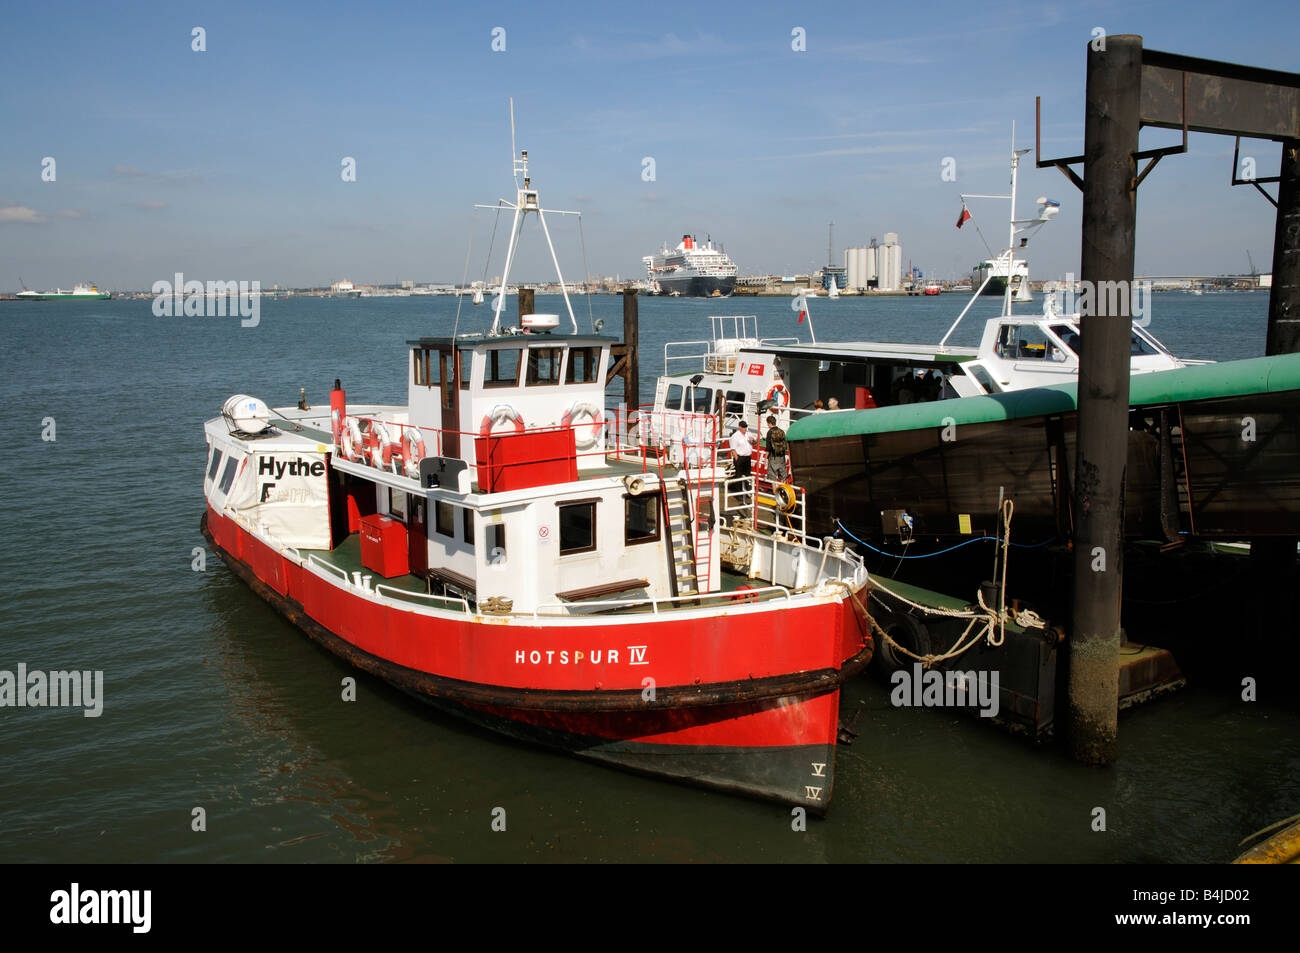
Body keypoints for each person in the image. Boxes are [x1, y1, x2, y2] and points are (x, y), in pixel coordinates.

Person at [764, 415, 788, 482]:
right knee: (783, 476)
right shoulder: (781, 431)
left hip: (773, 456)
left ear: (769, 423)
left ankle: (775, 492)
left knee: (772, 477)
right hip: (782, 456)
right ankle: (784, 490)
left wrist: (765, 459)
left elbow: (768, 448)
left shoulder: (769, 432)